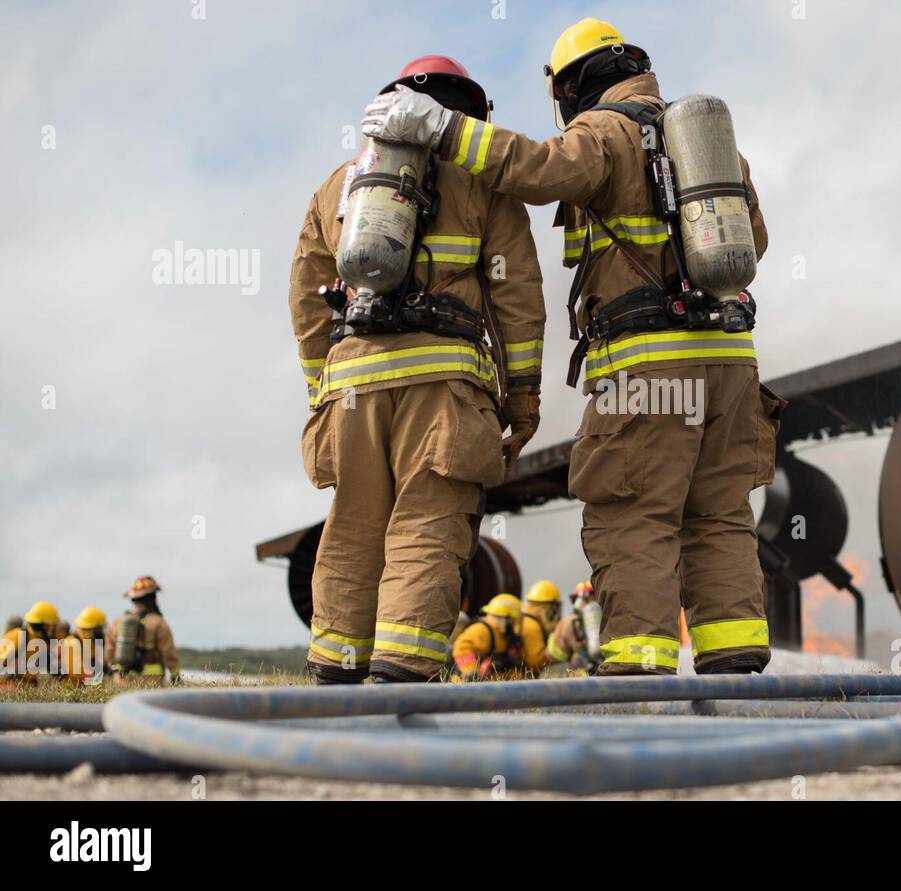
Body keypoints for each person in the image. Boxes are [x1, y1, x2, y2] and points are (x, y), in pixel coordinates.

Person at [360, 19, 781, 676]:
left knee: (634, 512)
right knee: (719, 512)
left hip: (647, 369)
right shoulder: (711, 148)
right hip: (730, 366)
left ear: (572, 86)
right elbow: (753, 240)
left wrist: (444, 130)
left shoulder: (605, 131)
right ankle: (734, 652)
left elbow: (539, 169)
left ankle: (639, 672)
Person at [293, 56, 546, 685]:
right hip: (444, 387)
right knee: (426, 526)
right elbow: (517, 298)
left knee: (353, 525)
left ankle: (335, 669)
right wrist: (521, 401)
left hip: (350, 387)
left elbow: (305, 293)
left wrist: (318, 385)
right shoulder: (484, 185)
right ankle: (400, 674)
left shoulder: (340, 185)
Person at [106, 576, 180, 683]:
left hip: (122, 681)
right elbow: (169, 653)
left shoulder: (118, 622)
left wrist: (115, 670)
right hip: (150, 682)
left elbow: (109, 650)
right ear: (152, 597)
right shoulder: (158, 623)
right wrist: (175, 676)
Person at [451, 594, 523, 679]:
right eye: (512, 621)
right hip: (466, 686)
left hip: (489, 686)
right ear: (504, 619)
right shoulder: (482, 630)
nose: (513, 625)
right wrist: (472, 673)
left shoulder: (500, 634)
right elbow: (461, 648)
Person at [0, 602, 67, 684]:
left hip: (25, 689)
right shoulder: (18, 636)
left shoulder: (44, 642)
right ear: (42, 626)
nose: (55, 630)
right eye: (52, 626)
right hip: (8, 689)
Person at [520, 580, 562, 672]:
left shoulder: (527, 621)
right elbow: (536, 664)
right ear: (549, 608)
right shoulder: (531, 627)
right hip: (522, 680)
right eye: (555, 608)